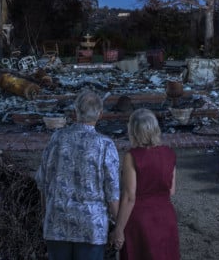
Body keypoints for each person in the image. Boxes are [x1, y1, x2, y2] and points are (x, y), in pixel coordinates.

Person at [35, 90, 120, 260]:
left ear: (75, 112)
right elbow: (112, 192)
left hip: (57, 222)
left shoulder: (57, 139)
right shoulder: (105, 145)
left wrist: (46, 215)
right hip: (91, 227)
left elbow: (43, 182)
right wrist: (119, 227)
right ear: (100, 114)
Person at [112, 108, 180, 259]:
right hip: (166, 217)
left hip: (140, 220)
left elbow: (129, 197)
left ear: (133, 131)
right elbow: (171, 190)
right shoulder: (170, 153)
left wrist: (119, 229)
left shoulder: (132, 156)